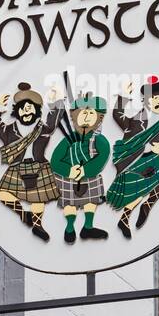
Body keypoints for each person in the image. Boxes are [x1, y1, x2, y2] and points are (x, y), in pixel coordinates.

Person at [105, 77, 159, 238]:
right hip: (135, 160)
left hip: (156, 158)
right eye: (155, 99)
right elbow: (118, 115)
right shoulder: (137, 121)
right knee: (138, 191)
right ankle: (125, 219)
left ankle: (148, 204)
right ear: (147, 102)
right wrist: (124, 96)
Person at [0, 82, 62, 240]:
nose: (26, 112)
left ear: (36, 111)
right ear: (17, 112)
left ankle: (37, 225)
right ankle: (22, 213)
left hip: (39, 166)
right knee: (2, 193)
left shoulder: (43, 129)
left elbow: (53, 121)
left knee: (39, 197)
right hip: (17, 167)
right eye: (22, 108)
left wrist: (57, 102)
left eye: (30, 108)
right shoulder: (10, 131)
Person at [48, 92, 112, 243]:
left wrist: (85, 170)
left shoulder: (100, 140)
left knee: (91, 201)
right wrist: (69, 170)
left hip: (89, 176)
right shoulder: (68, 139)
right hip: (68, 178)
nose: (87, 116)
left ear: (98, 118)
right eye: (83, 113)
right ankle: (70, 226)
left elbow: (102, 157)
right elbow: (55, 160)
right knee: (70, 203)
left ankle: (87, 226)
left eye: (91, 113)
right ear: (76, 116)